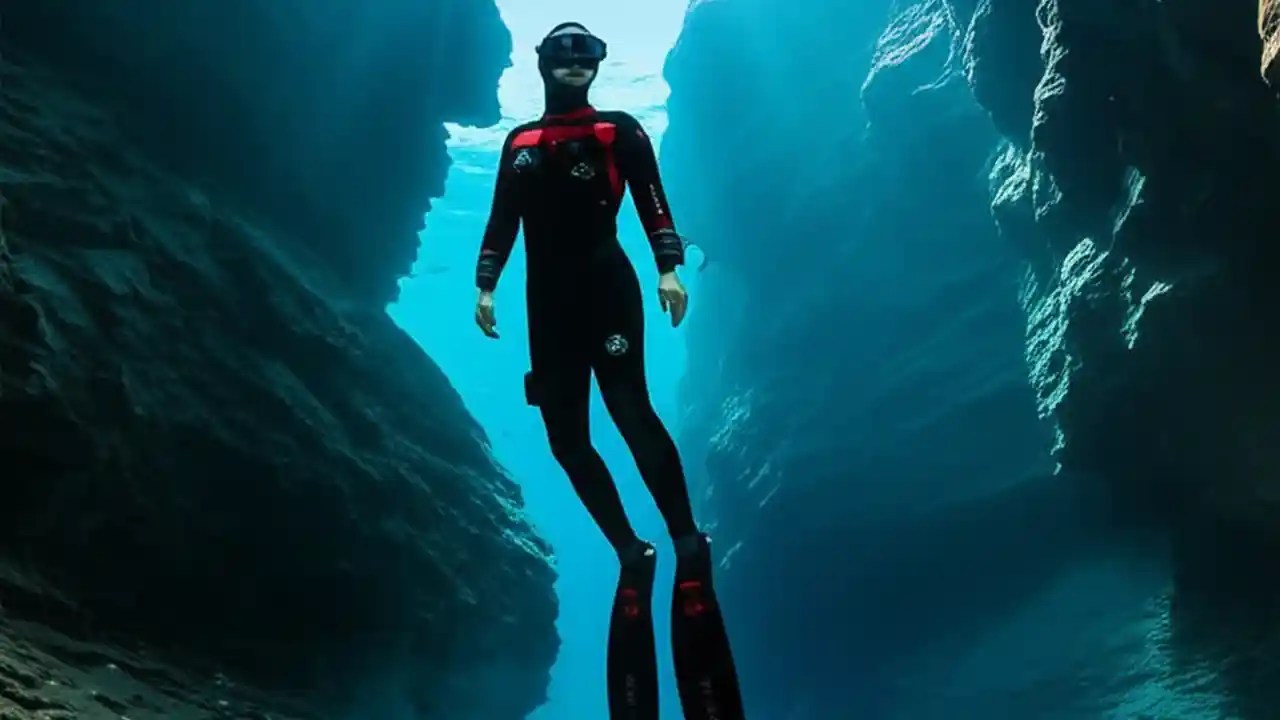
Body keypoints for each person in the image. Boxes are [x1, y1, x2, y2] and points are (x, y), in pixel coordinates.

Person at [473, 22, 745, 720]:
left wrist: (669, 268)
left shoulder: (618, 132)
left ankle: (686, 540)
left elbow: (653, 198)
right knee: (566, 439)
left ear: (597, 65)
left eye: (586, 54)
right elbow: (502, 218)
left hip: (609, 292)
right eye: (562, 54)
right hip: (547, 309)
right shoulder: (519, 144)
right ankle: (632, 552)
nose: (573, 63)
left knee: (630, 412)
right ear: (543, 64)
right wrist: (484, 283)